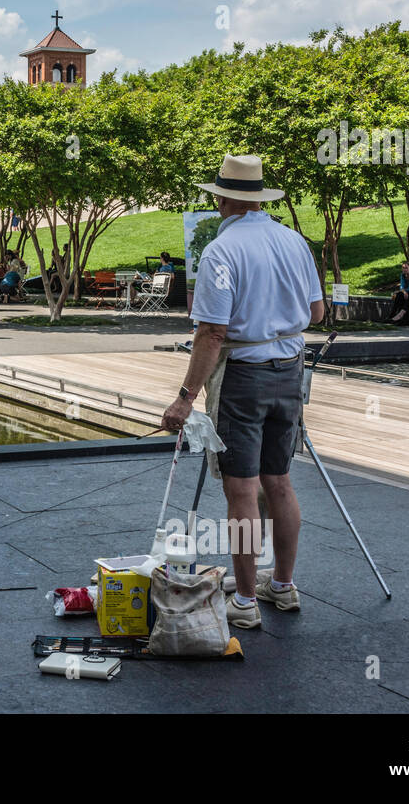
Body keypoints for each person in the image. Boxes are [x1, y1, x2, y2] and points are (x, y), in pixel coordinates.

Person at [160, 154, 324, 632]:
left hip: (244, 378)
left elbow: (212, 332)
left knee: (242, 489)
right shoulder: (293, 240)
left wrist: (185, 397)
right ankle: (283, 585)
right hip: (290, 372)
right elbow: (316, 313)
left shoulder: (221, 250)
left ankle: (247, 601)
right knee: (280, 481)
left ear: (223, 200)